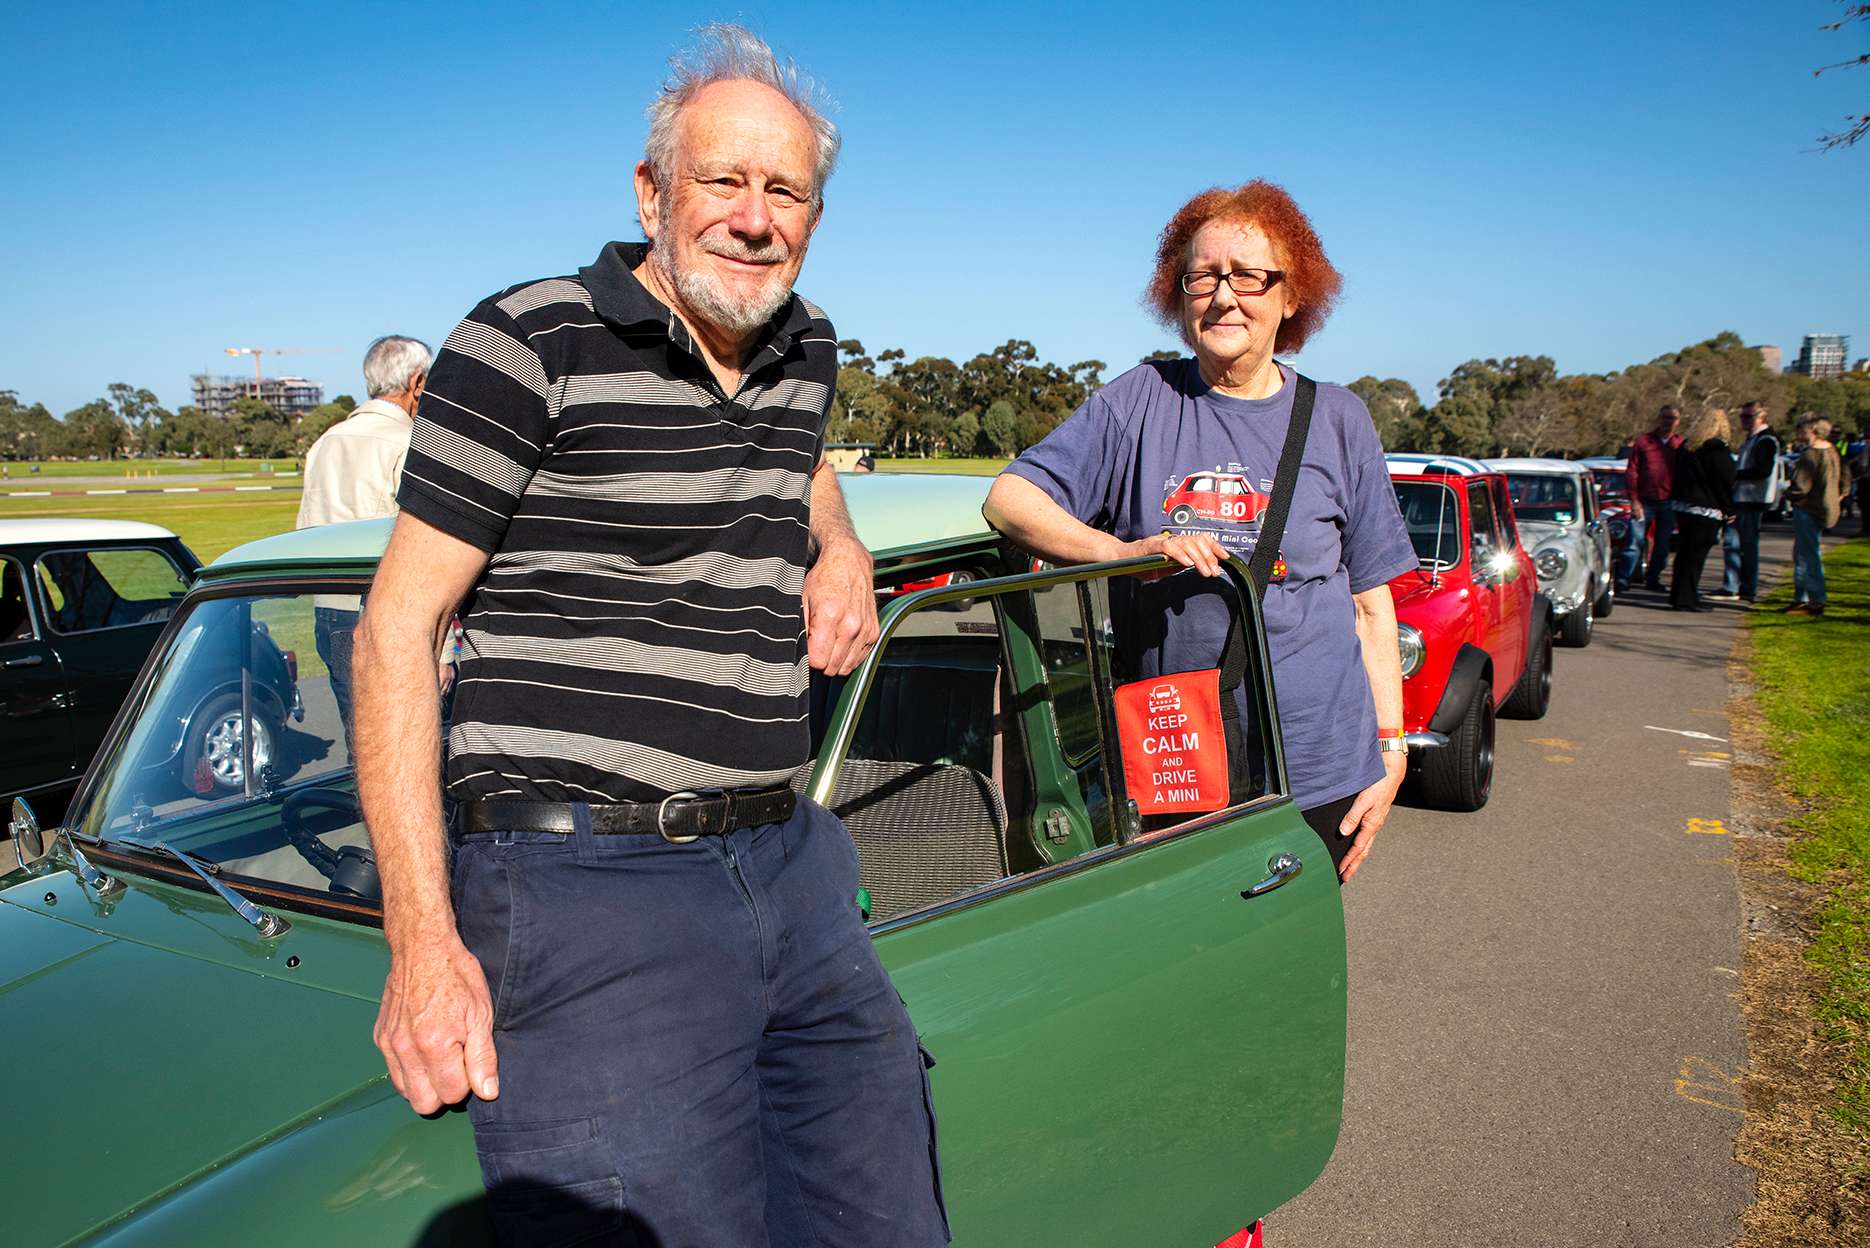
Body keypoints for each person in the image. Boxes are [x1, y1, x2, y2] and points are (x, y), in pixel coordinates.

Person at [349, 26, 948, 1248]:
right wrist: (421, 946)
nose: (752, 215)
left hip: (792, 865)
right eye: (722, 180)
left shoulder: (807, 346)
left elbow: (802, 467)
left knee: (886, 1224)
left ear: (815, 216)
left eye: (785, 190)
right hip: (587, 891)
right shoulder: (529, 341)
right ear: (651, 192)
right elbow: (393, 631)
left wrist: (838, 541)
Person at [983, 180, 1417, 884]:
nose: (1224, 296)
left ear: (1292, 294)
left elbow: (1372, 607)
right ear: (1177, 293)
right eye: (1203, 276)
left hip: (1319, 768)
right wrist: (1120, 554)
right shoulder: (1141, 399)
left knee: (1290, 970)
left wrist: (1393, 752)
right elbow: (1010, 500)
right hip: (1176, 762)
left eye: (1248, 275)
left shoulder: (1339, 420)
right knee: (1189, 972)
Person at [296, 335, 432, 734]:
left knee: (360, 743)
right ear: (417, 383)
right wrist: (440, 651)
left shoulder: (324, 444)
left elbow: (304, 535)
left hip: (329, 612)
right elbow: (422, 548)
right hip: (388, 614)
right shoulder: (411, 442)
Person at [1667, 408, 1736, 612]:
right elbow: (1724, 482)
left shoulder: (1687, 447)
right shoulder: (1717, 450)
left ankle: (1678, 595)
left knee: (1684, 553)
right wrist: (1729, 509)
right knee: (1696, 556)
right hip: (1706, 509)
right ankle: (1687, 598)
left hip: (1684, 506)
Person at [1711, 400, 1778, 604]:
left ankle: (1748, 588)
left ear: (1761, 418)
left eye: (1748, 417)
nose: (1743, 421)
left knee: (1747, 545)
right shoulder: (1752, 439)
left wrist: (1735, 474)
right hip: (1739, 499)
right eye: (1742, 417)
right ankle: (1731, 586)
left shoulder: (1766, 440)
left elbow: (1763, 471)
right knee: (1731, 543)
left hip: (1752, 500)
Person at [1785, 413, 1845, 616]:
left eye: (1802, 428)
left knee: (1809, 555)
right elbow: (1843, 478)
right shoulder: (1832, 451)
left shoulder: (1812, 454)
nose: (1799, 431)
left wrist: (1789, 494)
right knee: (1804, 553)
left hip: (1808, 508)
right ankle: (1801, 597)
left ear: (1811, 430)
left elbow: (1801, 485)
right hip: (1823, 507)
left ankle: (1816, 600)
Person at [1625, 405, 1684, 591]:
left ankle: (1653, 579)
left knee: (1662, 545)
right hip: (1644, 500)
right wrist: (1634, 500)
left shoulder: (1681, 443)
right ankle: (1624, 579)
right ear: (1659, 418)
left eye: (1672, 418)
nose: (1668, 422)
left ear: (1678, 421)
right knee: (1634, 542)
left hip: (1668, 502)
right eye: (1665, 418)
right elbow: (1632, 471)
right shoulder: (1644, 442)